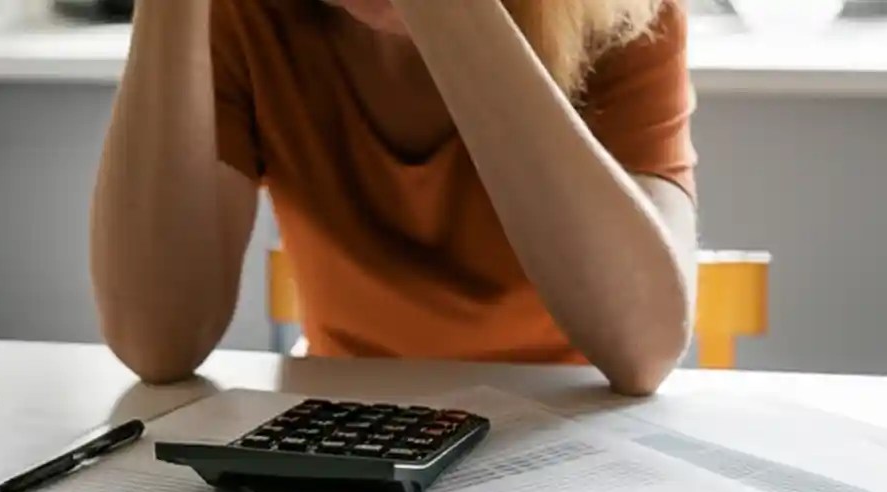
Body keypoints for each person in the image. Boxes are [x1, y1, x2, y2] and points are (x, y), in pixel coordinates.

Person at [90, 0, 699, 396]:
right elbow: (155, 342)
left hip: (571, 435)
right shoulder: (249, 15)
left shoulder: (620, 14)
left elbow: (643, 349)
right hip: (351, 434)